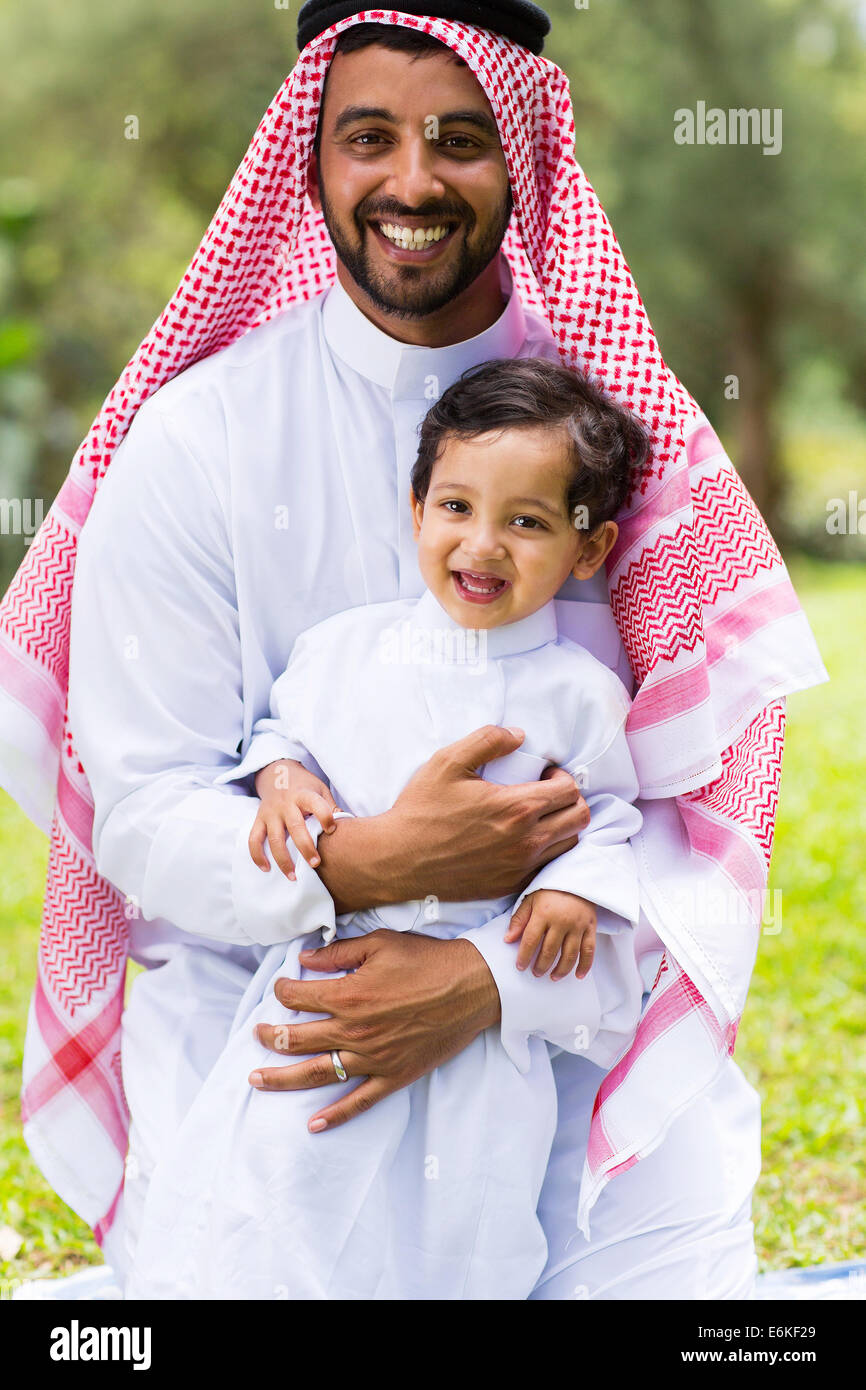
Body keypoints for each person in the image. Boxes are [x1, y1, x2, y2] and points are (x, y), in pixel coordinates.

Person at [0, 3, 828, 1298]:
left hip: (573, 1031)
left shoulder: (625, 451)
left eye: (458, 139)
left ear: (524, 159)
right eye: (366, 138)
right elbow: (145, 807)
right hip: (268, 1021)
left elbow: (694, 837)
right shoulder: (198, 437)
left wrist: (489, 980)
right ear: (308, 159)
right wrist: (358, 861)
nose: (410, 181)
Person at [123, 356, 651, 1299]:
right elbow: (283, 734)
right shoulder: (347, 650)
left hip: (480, 1033)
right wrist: (281, 779)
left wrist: (575, 889)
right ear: (415, 511)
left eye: (526, 522)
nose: (482, 546)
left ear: (588, 547)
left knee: (458, 1230)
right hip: (324, 982)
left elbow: (609, 819)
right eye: (456, 508)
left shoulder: (582, 698)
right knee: (277, 1197)